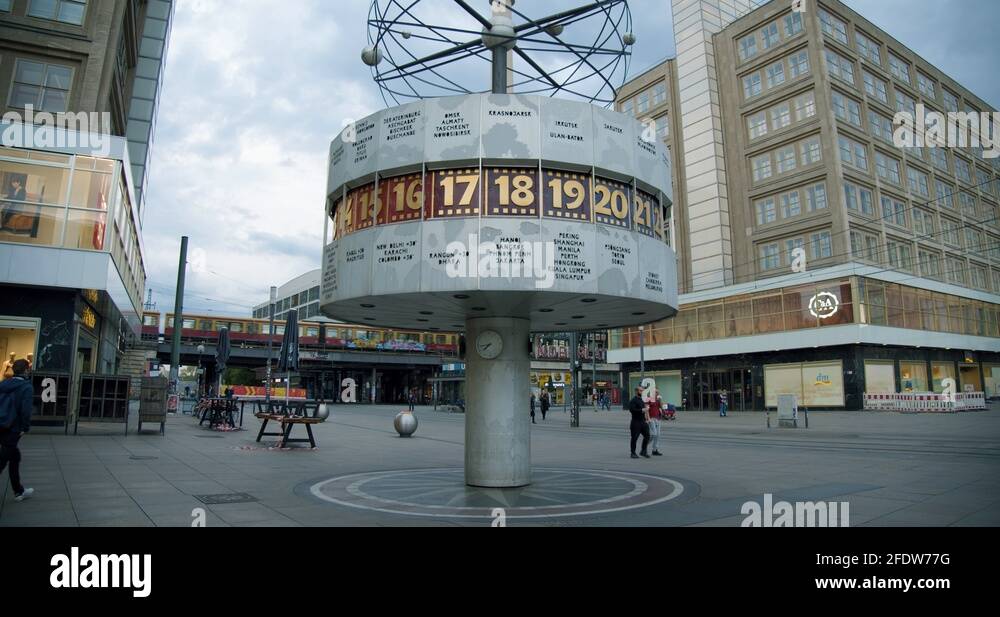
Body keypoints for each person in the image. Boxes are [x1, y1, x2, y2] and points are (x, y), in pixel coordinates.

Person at [0, 360, 34, 502]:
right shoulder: (26, 387)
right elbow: (25, 410)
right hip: (13, 427)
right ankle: (18, 491)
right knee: (2, 460)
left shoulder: (3, 384)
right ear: (26, 370)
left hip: (1, 423)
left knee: (15, 456)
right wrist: (25, 427)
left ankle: (18, 491)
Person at [627, 387, 650, 459]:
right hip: (635, 422)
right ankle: (633, 453)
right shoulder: (633, 400)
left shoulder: (641, 400)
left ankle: (643, 451)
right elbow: (632, 410)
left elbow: (645, 410)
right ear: (636, 391)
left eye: (643, 391)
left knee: (647, 436)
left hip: (643, 421)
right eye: (641, 391)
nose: (642, 392)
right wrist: (642, 410)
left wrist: (647, 418)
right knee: (634, 438)